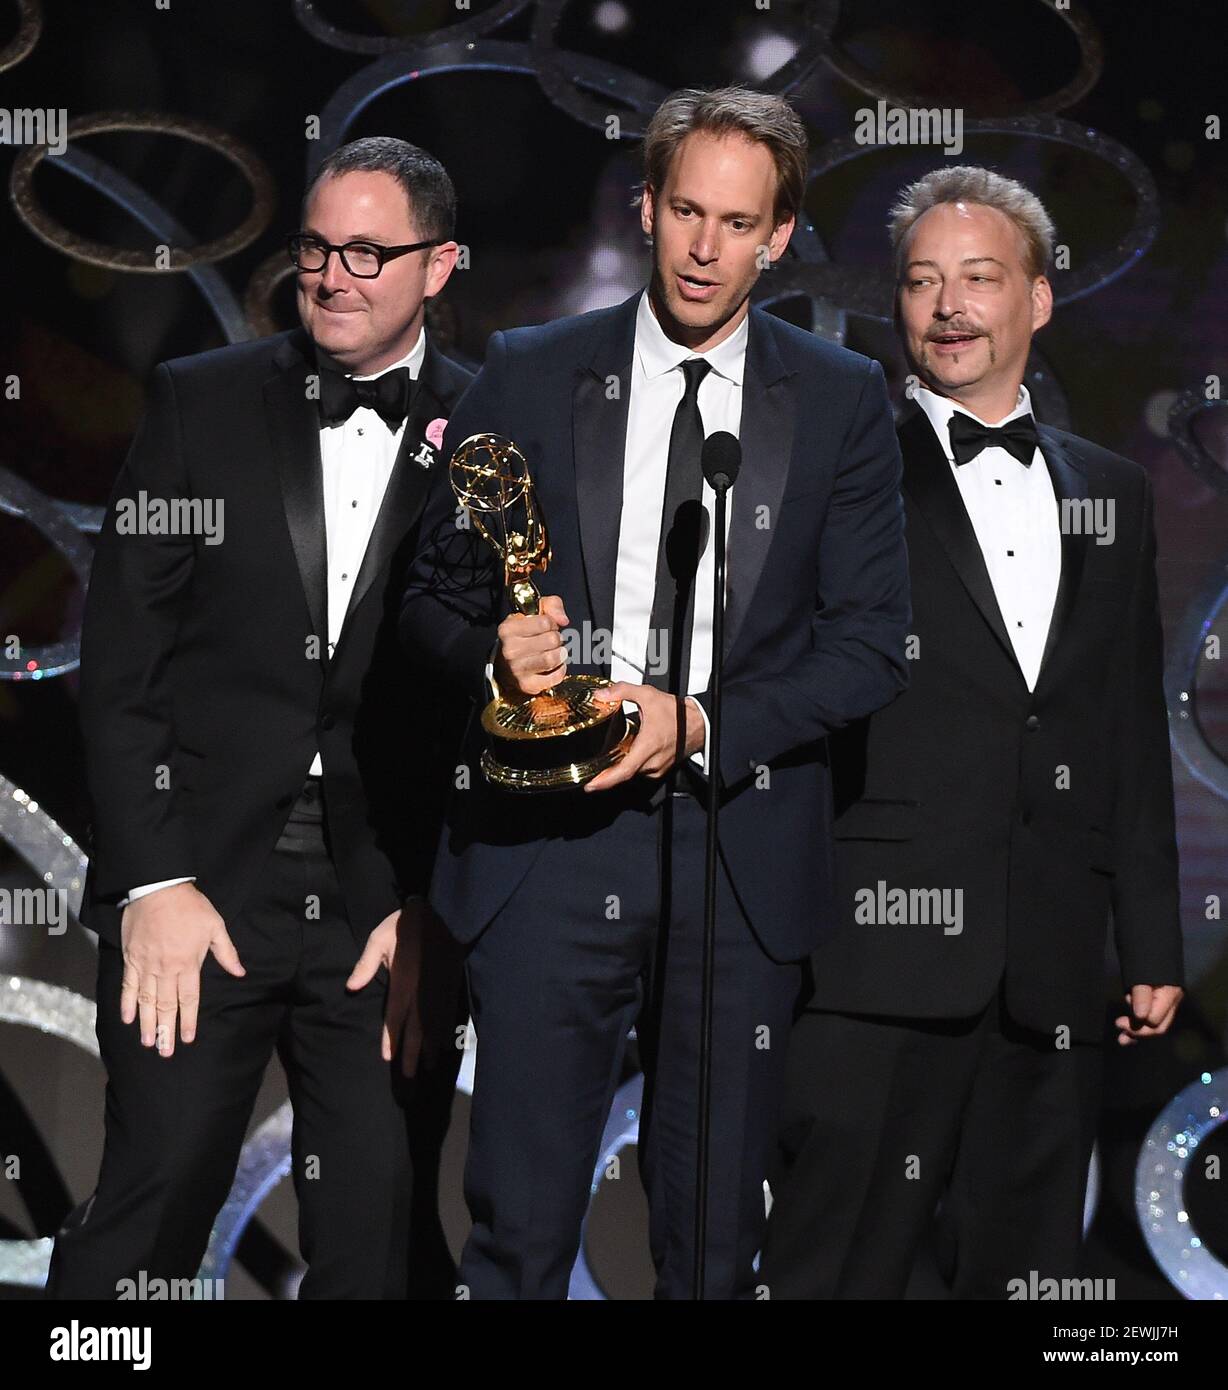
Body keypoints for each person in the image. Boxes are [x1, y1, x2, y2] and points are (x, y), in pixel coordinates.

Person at [401, 86, 909, 1299]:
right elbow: (425, 599)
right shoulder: (530, 372)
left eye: (737, 223)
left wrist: (699, 724)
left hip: (736, 851)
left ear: (778, 237)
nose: (703, 246)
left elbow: (870, 644)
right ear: (645, 208)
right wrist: (493, 656)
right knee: (518, 1238)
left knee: (709, 1248)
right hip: (547, 851)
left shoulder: (837, 402)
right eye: (685, 210)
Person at [49, 136, 471, 1299]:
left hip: (385, 924)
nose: (332, 275)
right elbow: (122, 663)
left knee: (378, 1244)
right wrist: (151, 883)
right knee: (143, 1223)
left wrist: (436, 905)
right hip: (202, 891)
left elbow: (496, 706)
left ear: (440, 267)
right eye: (316, 248)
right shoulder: (202, 402)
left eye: (368, 253)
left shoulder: (495, 432)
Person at [760, 165, 1185, 1299]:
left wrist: (1147, 939)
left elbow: (1124, 722)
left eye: (979, 279)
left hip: (1050, 967)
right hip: (868, 959)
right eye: (921, 281)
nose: (947, 306)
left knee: (1029, 1280)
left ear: (1038, 300)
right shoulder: (839, 473)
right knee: (833, 1268)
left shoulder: (1112, 489)